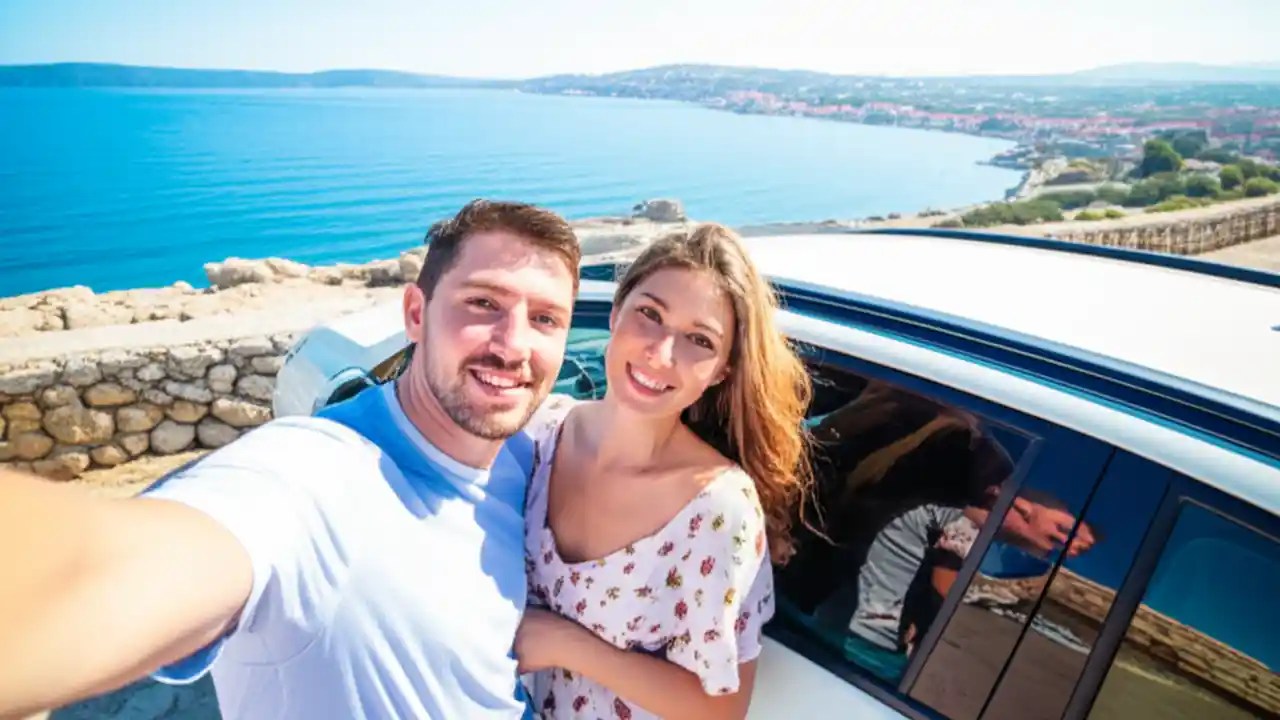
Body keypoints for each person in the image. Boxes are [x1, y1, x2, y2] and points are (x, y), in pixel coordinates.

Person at [0, 199, 581, 720]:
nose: (513, 347)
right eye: (483, 303)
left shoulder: (522, 459)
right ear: (415, 313)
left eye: (546, 319)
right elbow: (108, 567)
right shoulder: (314, 472)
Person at [510, 224, 814, 719]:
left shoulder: (717, 510)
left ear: (723, 370)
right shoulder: (537, 432)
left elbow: (722, 710)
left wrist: (562, 643)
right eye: (650, 314)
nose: (662, 352)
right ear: (614, 313)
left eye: (699, 339)